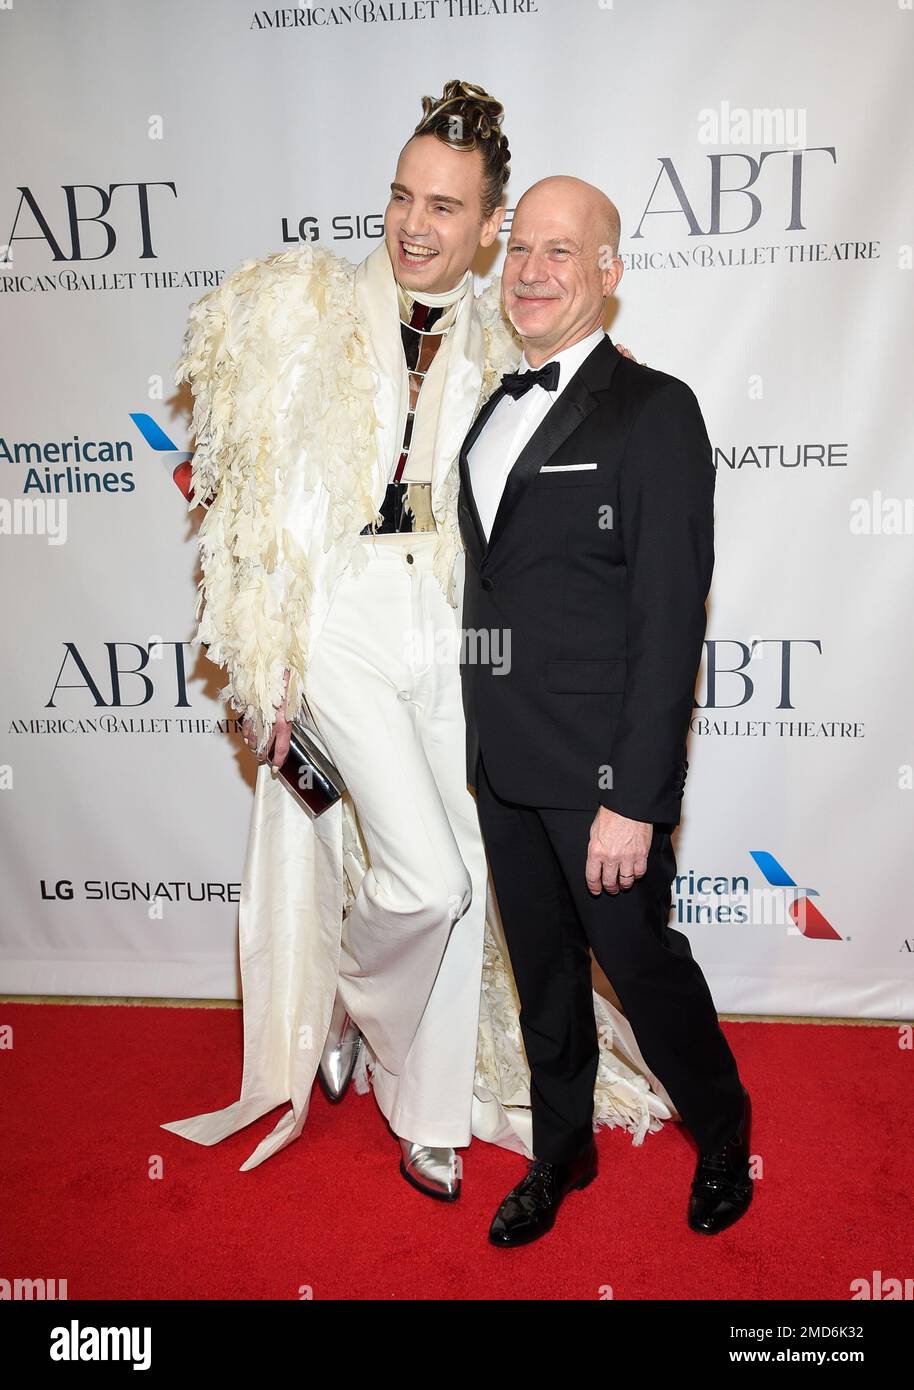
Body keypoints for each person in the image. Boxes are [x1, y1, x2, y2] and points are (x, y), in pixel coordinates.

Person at [162, 89, 674, 1199]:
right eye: (400, 195)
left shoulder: (510, 336)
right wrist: (264, 652)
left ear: (488, 227)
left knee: (471, 860)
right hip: (338, 606)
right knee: (427, 885)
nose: (411, 223)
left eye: (443, 205)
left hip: (450, 621)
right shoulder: (298, 308)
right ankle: (350, 994)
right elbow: (245, 490)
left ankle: (429, 1109)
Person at [459, 175, 753, 1244]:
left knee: (639, 970)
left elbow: (669, 619)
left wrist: (635, 798)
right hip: (500, 767)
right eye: (520, 250)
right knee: (540, 980)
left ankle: (721, 1132)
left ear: (606, 274)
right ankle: (559, 1150)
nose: (531, 272)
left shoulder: (655, 412)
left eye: (559, 253)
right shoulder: (493, 408)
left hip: (599, 784)